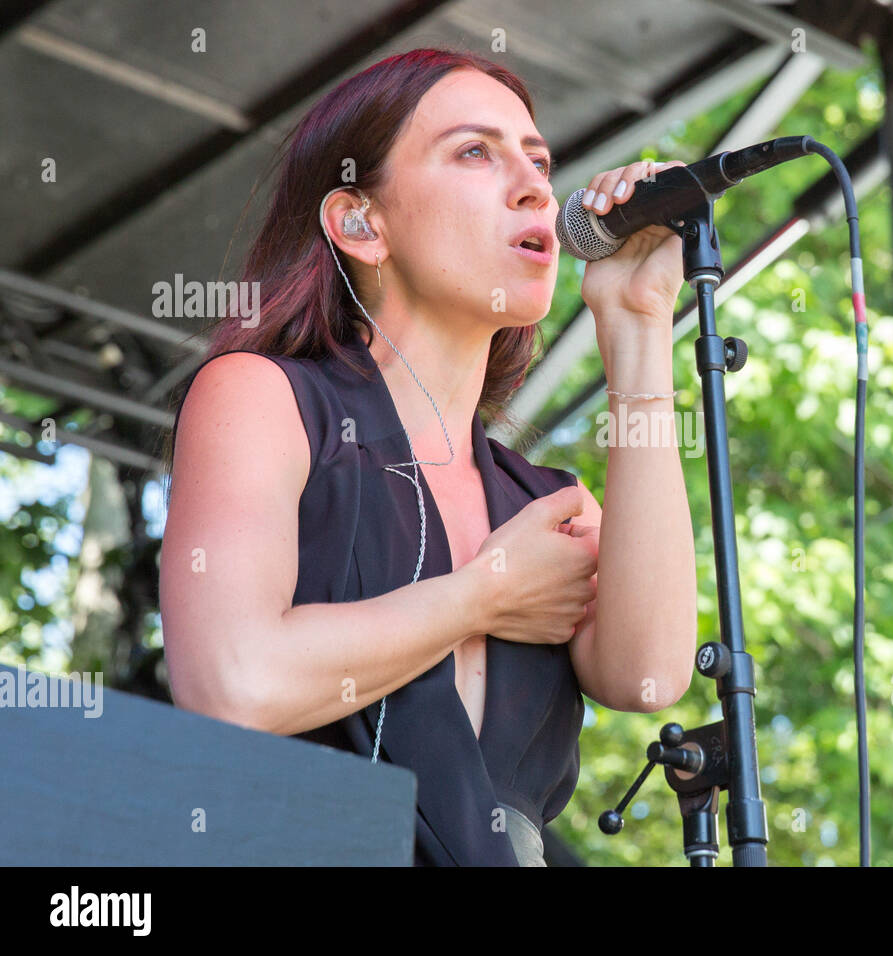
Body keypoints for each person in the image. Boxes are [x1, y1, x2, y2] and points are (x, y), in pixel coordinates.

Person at [158, 48, 698, 866]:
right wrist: (486, 594)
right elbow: (232, 683)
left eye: (539, 159)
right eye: (476, 152)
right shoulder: (264, 399)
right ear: (359, 224)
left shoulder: (544, 506)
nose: (534, 186)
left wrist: (638, 322)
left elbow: (649, 679)